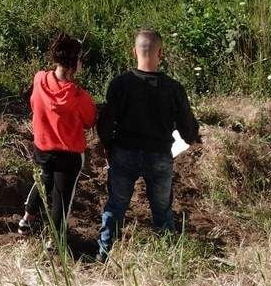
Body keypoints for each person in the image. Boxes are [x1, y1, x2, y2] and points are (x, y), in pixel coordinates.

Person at [96, 29, 202, 260]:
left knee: (115, 207)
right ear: (161, 53)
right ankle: (168, 259)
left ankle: (104, 256)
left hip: (124, 152)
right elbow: (187, 127)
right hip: (159, 156)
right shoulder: (174, 88)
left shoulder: (120, 84)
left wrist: (107, 145)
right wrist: (193, 138)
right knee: (162, 211)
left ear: (134, 51)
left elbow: (105, 122)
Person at [19, 32, 97, 244]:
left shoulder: (39, 79)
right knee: (62, 198)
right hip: (69, 156)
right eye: (80, 59)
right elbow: (90, 121)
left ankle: (26, 220)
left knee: (43, 180)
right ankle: (54, 242)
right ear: (74, 63)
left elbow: (34, 104)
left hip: (42, 148)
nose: (82, 63)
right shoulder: (79, 96)